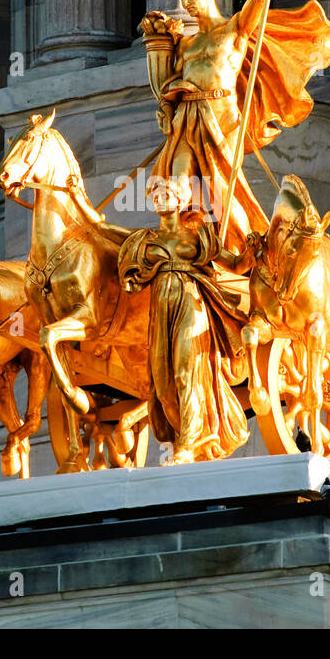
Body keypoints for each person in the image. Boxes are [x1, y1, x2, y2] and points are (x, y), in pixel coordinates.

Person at [144, 0, 330, 252]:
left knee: (220, 191)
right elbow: (168, 84)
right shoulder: (187, 43)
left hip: (223, 118)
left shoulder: (235, 29)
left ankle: (241, 249)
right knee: (177, 183)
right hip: (188, 117)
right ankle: (178, 243)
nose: (188, 3)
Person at [116, 177, 252, 464]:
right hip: (160, 311)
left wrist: (254, 251)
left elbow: (236, 264)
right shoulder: (145, 241)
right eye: (156, 194)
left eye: (168, 193)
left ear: (180, 200)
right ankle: (187, 434)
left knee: (184, 372)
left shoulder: (197, 237)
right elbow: (111, 237)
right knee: (163, 384)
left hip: (192, 303)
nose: (161, 197)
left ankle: (187, 444)